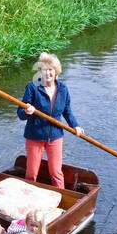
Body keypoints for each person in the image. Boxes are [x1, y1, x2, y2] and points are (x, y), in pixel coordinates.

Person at [19, 53, 85, 190]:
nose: (48, 73)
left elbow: (67, 111)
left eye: (51, 69)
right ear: (40, 71)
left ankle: (62, 198)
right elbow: (20, 113)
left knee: (56, 172)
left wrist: (76, 126)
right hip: (34, 136)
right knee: (31, 173)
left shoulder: (63, 88)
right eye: (44, 69)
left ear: (56, 71)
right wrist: (27, 111)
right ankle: (28, 198)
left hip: (55, 136)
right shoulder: (32, 87)